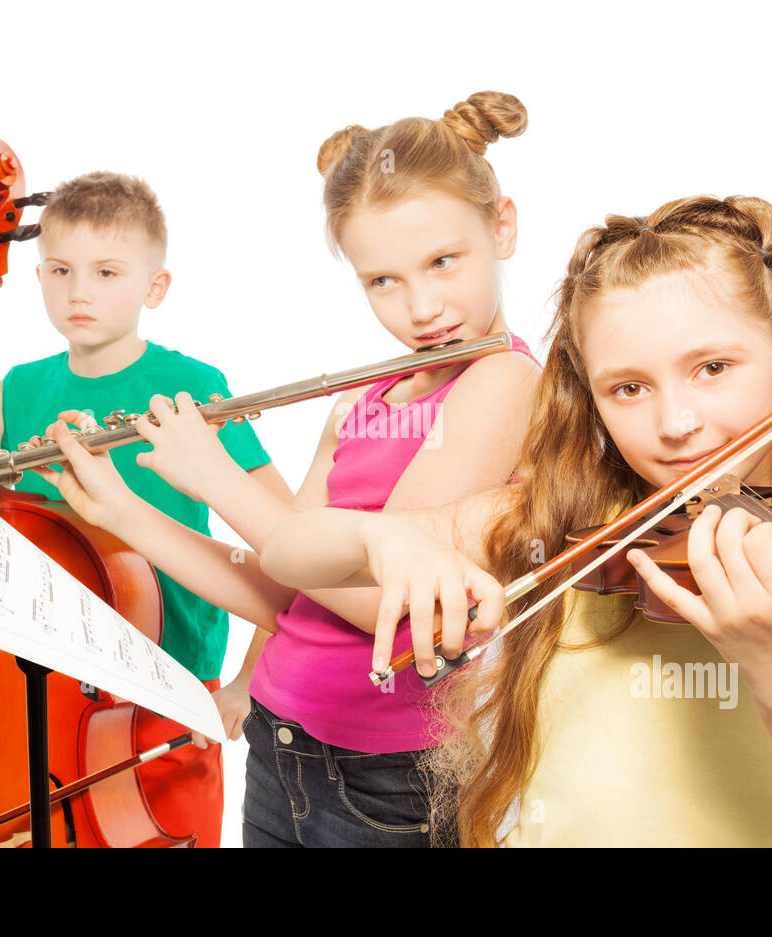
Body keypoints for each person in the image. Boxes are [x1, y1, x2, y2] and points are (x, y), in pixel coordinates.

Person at [257, 195, 772, 847]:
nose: (676, 424)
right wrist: (380, 536)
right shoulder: (567, 534)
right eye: (630, 388)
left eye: (713, 368)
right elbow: (287, 550)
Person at [30, 91, 542, 846]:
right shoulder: (365, 399)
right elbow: (284, 590)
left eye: (443, 261)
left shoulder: (503, 381)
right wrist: (122, 510)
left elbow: (386, 604)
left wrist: (213, 476)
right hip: (280, 749)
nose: (423, 307)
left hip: (385, 778)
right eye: (383, 281)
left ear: (501, 226)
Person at [0, 170, 289, 847]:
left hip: (167, 694)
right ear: (37, 275)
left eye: (106, 272)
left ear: (154, 286)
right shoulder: (17, 386)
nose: (79, 291)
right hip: (40, 696)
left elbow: (293, 544)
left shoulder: (193, 387)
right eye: (62, 270)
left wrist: (245, 684)